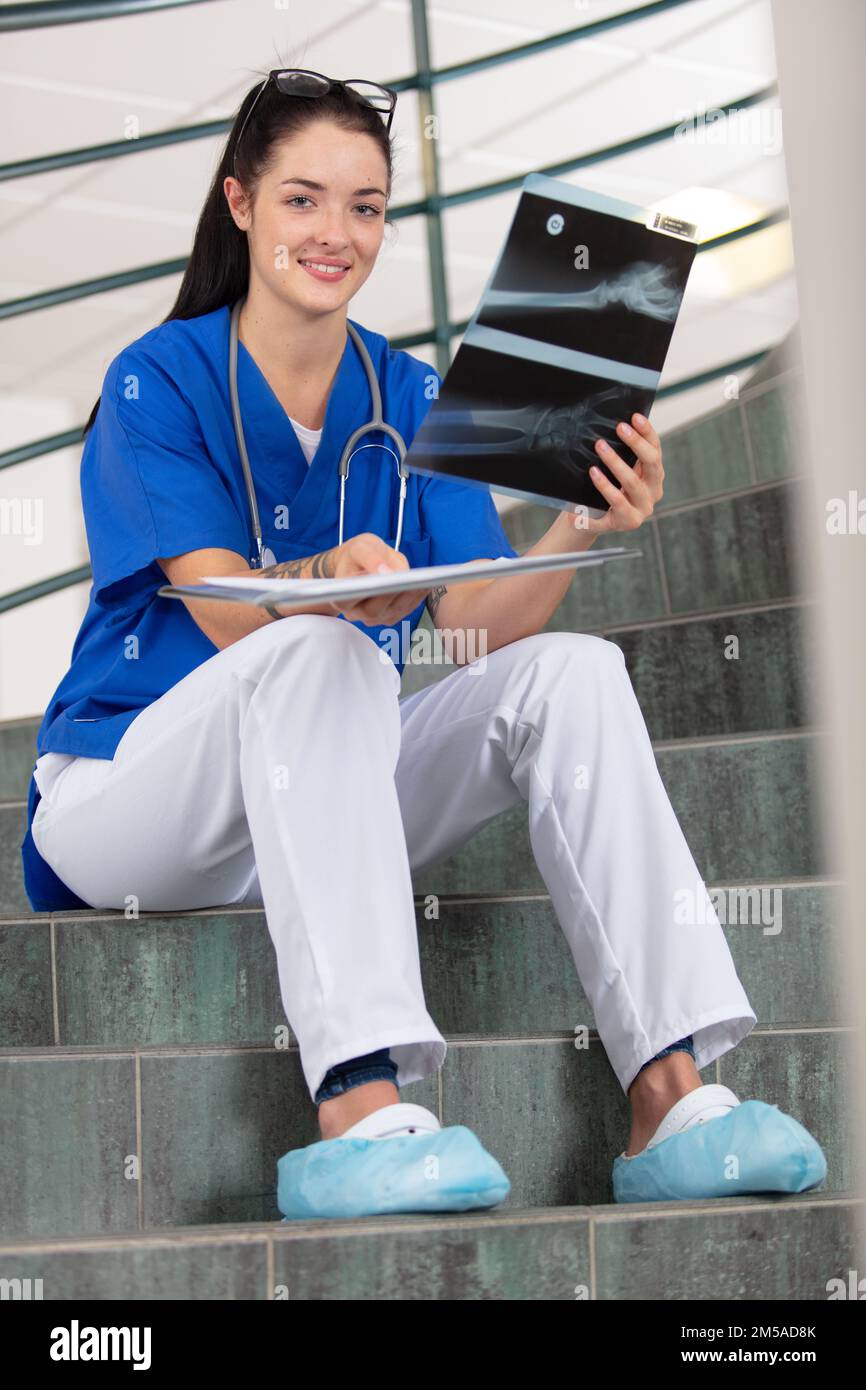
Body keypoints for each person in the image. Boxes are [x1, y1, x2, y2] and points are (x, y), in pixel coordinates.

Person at [21, 69, 826, 1220]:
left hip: (320, 789)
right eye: (303, 200)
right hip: (132, 805)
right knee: (317, 649)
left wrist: (581, 513)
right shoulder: (158, 379)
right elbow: (216, 606)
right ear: (240, 204)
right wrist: (322, 578)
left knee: (570, 673)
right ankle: (357, 1099)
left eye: (364, 206)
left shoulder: (410, 392)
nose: (334, 232)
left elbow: (471, 628)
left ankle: (671, 1088)